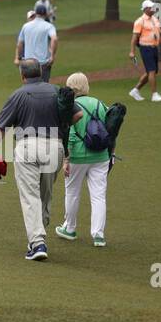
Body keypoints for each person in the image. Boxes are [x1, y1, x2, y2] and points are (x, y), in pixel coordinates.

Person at [0, 59, 66, 261]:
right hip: (55, 146)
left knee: (30, 195)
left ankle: (37, 242)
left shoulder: (18, 95)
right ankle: (38, 234)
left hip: (27, 147)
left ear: (22, 75)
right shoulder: (57, 91)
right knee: (45, 193)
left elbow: (0, 129)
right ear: (40, 72)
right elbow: (77, 115)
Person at [55, 73, 110, 247]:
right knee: (98, 195)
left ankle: (70, 228)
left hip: (77, 156)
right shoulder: (101, 104)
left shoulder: (71, 106)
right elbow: (110, 128)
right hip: (101, 155)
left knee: (72, 192)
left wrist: (66, 159)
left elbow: (69, 133)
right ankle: (98, 235)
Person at [129, 0, 161, 102]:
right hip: (145, 48)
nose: (153, 9)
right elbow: (134, 38)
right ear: (145, 9)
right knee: (151, 71)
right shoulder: (140, 21)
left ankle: (135, 90)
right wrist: (132, 52)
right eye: (151, 7)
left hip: (154, 48)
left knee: (151, 72)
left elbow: (159, 35)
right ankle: (154, 94)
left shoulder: (155, 20)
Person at [16, 2, 58, 82]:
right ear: (45, 14)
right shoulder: (49, 26)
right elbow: (54, 39)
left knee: (29, 88)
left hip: (28, 63)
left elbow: (20, 43)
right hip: (43, 63)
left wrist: (19, 58)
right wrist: (52, 56)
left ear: (35, 13)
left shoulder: (26, 26)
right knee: (43, 87)